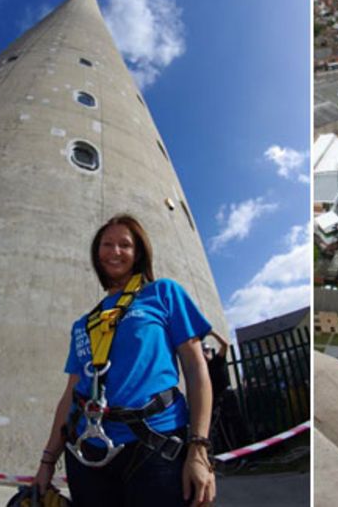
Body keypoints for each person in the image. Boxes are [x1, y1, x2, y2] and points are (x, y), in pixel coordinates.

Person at [33, 214, 217, 506]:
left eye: (125, 244)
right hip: (87, 453)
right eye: (107, 244)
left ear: (138, 252)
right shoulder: (83, 323)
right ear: (97, 253)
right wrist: (46, 462)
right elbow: (70, 395)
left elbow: (196, 369)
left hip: (155, 447)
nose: (115, 251)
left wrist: (198, 449)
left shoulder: (163, 293)